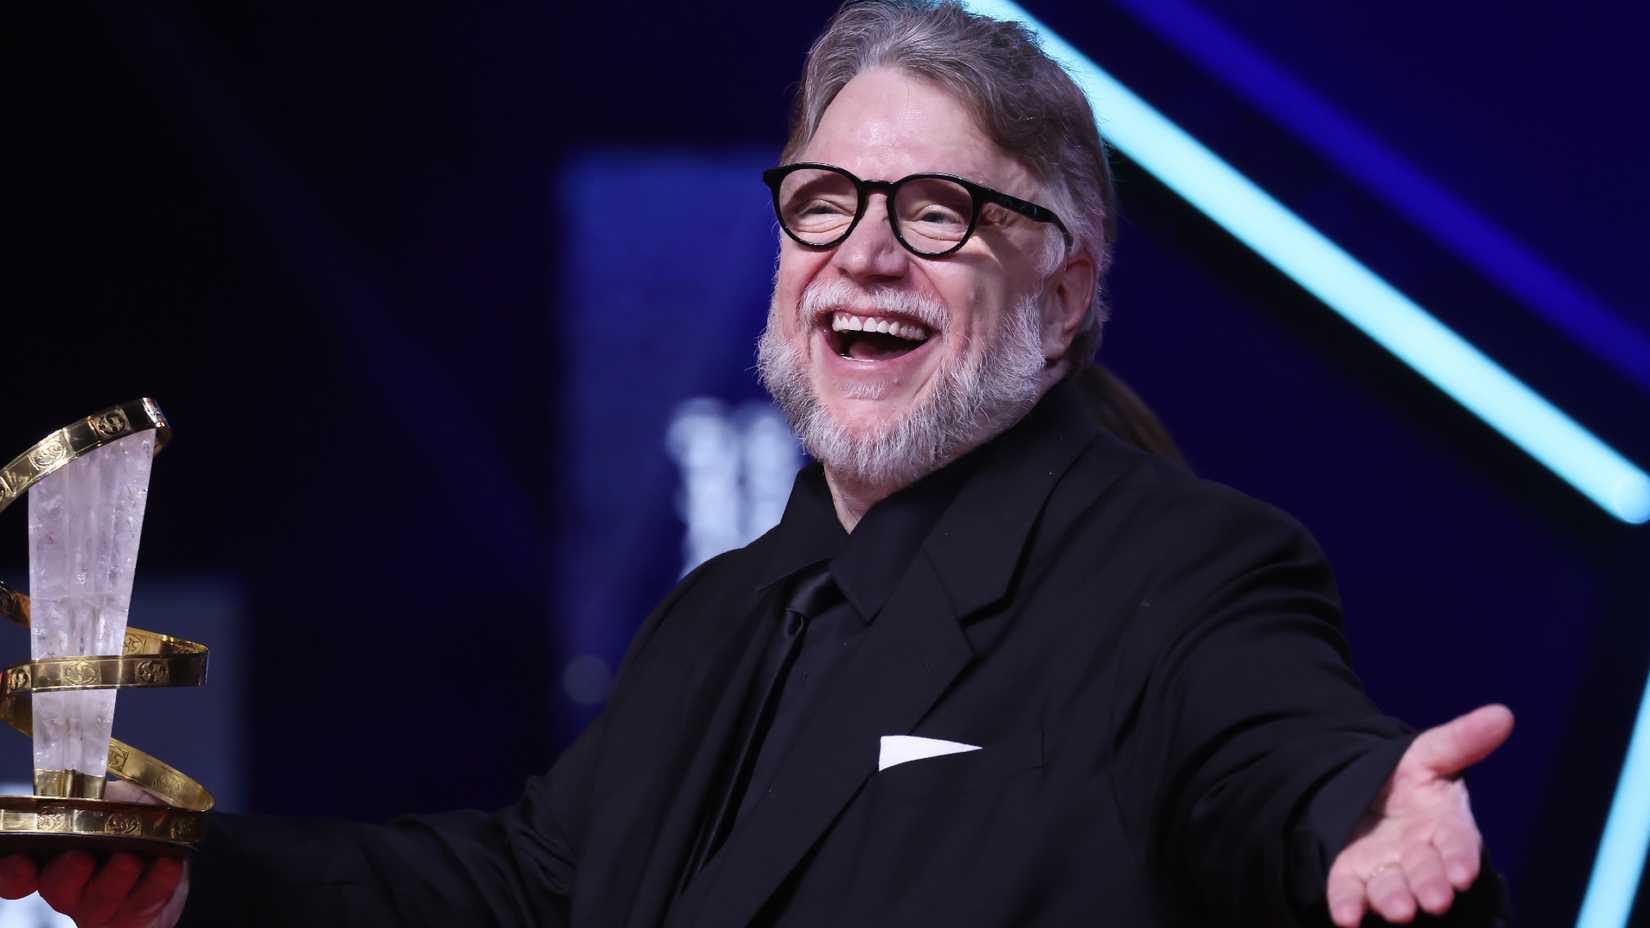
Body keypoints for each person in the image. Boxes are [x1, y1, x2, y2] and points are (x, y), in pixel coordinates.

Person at [0, 1, 1514, 925]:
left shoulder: (1180, 567)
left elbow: (1267, 753)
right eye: (823, 200)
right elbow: (529, 891)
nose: (863, 254)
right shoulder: (727, 611)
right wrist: (190, 879)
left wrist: (1360, 817)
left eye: (935, 209)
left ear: (1062, 288)